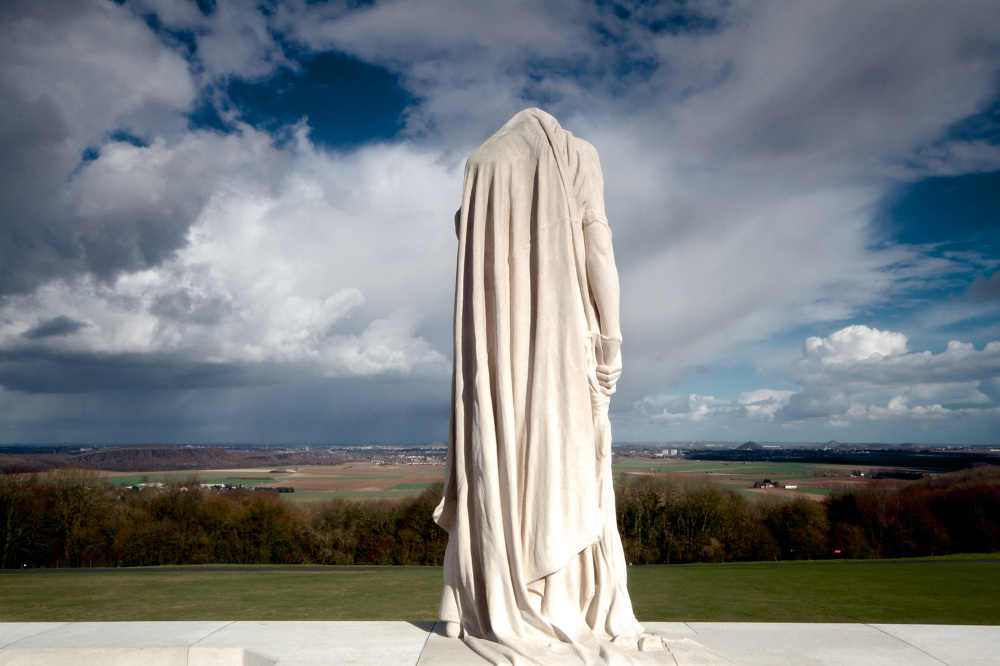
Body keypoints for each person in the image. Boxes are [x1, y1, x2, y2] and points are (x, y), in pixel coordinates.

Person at [434, 109, 653, 664]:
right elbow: (597, 246)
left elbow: (467, 234)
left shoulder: (481, 162)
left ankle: (469, 599)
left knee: (496, 454)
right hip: (561, 331)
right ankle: (560, 595)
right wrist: (612, 338)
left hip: (494, 345)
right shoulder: (578, 153)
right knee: (571, 457)